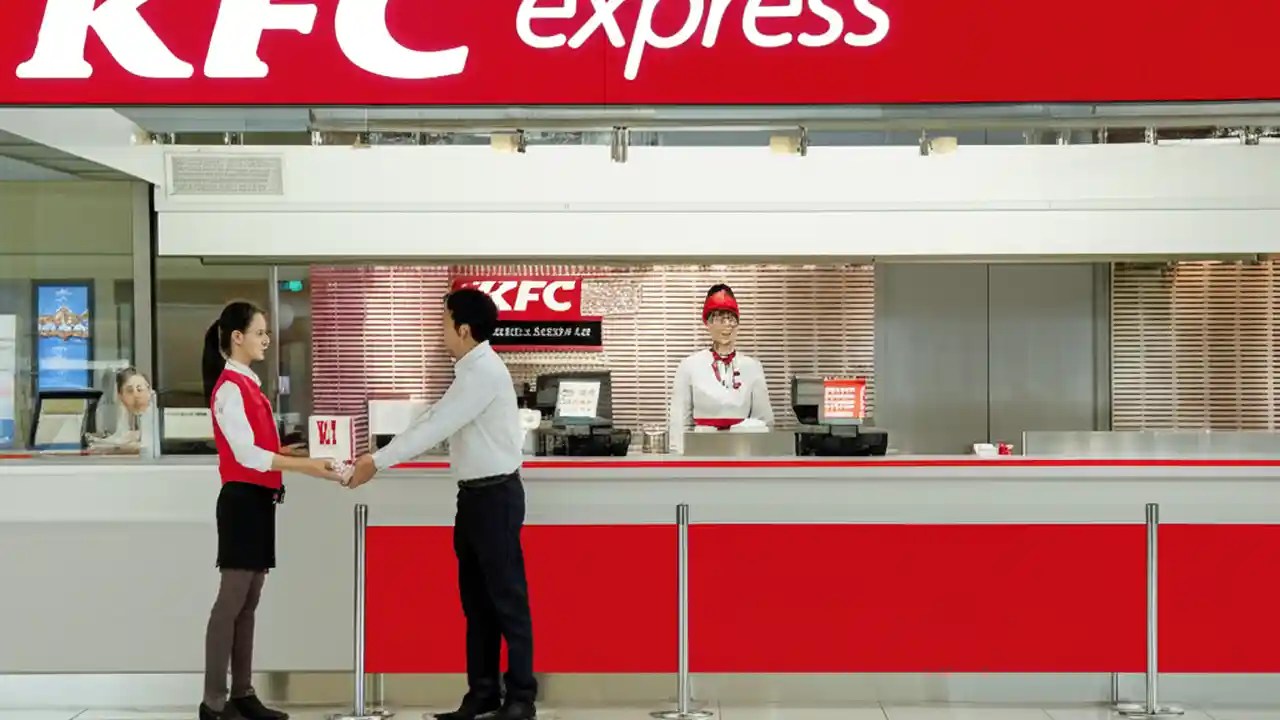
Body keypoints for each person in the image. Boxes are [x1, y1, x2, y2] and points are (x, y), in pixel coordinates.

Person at [345, 288, 536, 720]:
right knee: (476, 602)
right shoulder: (468, 369)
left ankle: (521, 697)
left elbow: (438, 427)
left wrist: (378, 461)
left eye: (444, 322)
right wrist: (379, 453)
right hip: (472, 498)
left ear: (463, 329)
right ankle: (483, 692)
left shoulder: (484, 372)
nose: (440, 331)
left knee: (507, 600)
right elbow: (433, 416)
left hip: (496, 497)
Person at [199, 301, 343, 720]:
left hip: (260, 502)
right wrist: (308, 466)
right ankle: (213, 701)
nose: (266, 339)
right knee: (230, 602)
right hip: (242, 502)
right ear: (237, 337)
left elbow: (262, 449)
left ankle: (242, 694)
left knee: (249, 601)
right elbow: (246, 455)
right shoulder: (229, 387)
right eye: (260, 332)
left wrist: (294, 452)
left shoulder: (249, 384)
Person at [668, 283, 774, 454]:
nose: (727, 325)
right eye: (719, 318)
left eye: (731, 318)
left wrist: (759, 457)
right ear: (707, 323)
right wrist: (680, 460)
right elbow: (678, 422)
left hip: (743, 453)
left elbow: (764, 421)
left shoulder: (752, 367)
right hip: (700, 454)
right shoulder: (689, 366)